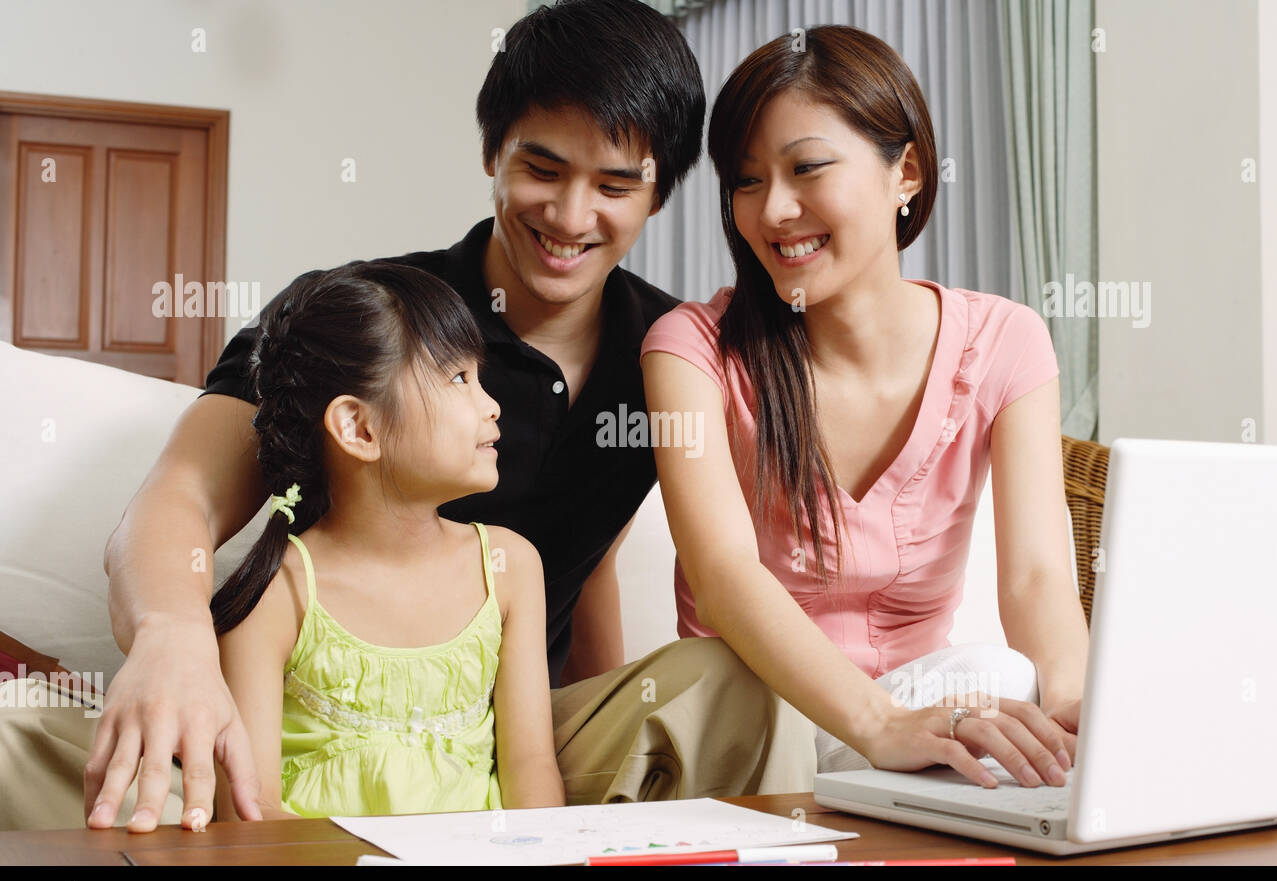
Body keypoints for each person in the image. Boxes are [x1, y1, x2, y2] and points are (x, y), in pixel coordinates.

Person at [0, 0, 814, 834]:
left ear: (659, 193)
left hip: (516, 745)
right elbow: (178, 501)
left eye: (614, 186)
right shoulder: (362, 318)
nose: (571, 218)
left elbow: (589, 554)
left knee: (745, 685)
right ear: (493, 151)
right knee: (13, 732)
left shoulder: (670, 354)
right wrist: (171, 631)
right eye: (542, 168)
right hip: (298, 751)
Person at [640, 25, 1089, 790]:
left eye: (806, 167)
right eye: (745, 182)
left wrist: (1076, 721)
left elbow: (1038, 580)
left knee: (1003, 681)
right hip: (754, 723)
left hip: (921, 724)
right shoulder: (688, 348)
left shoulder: (1007, 340)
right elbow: (722, 575)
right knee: (733, 686)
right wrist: (877, 726)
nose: (773, 210)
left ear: (906, 172)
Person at [210, 262, 562, 820]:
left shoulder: (509, 566)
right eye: (457, 379)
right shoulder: (277, 596)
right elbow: (246, 814)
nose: (492, 405)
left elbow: (531, 765)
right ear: (359, 428)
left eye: (480, 376)